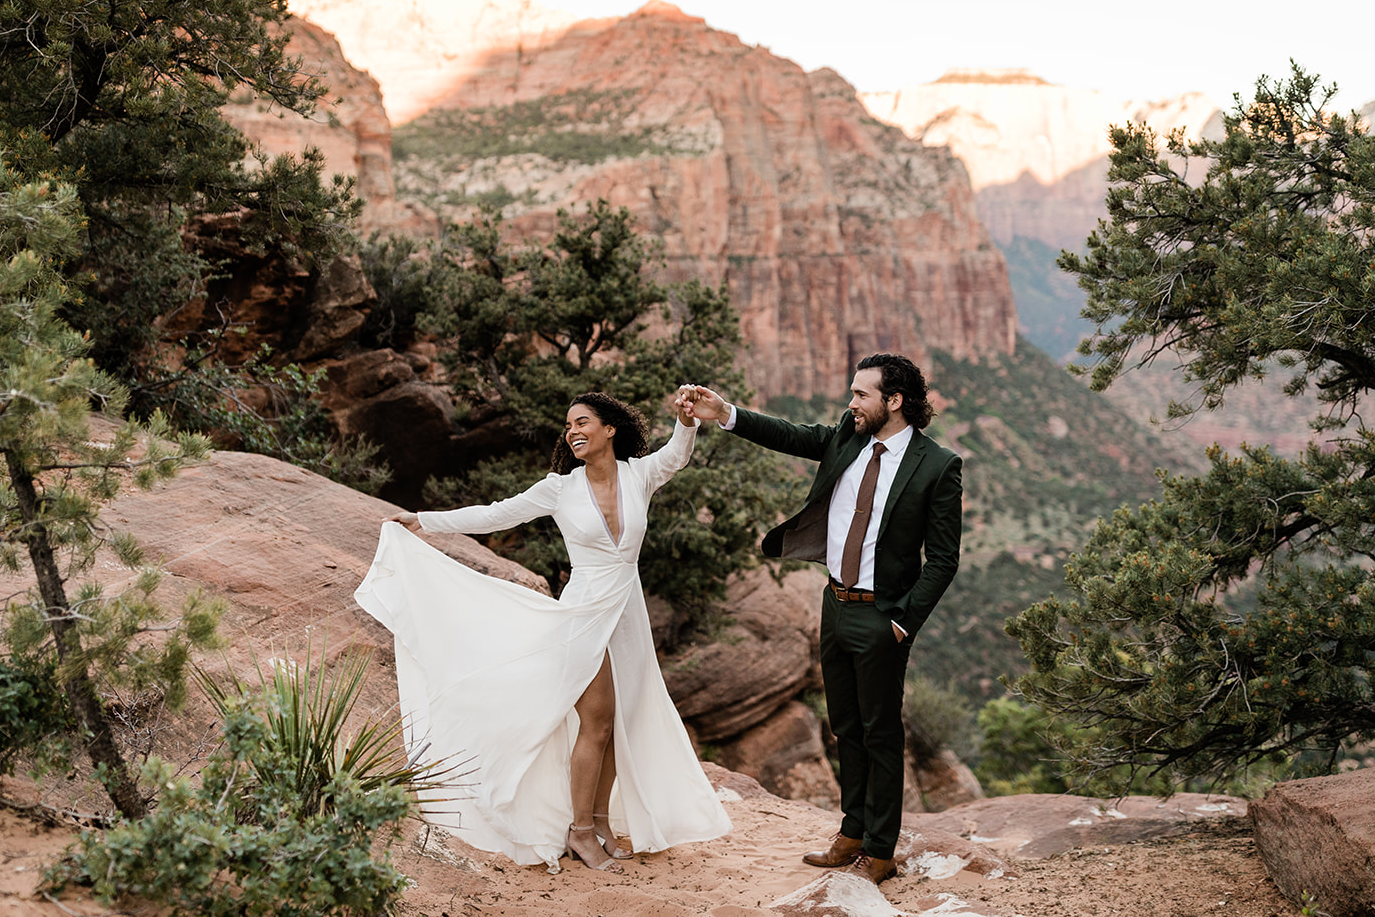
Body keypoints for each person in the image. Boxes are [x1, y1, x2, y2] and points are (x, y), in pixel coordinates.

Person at [354, 389, 730, 874]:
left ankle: (599, 824)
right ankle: (579, 832)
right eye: (568, 426)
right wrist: (422, 521)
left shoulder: (639, 475)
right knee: (596, 722)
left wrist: (687, 420)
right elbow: (494, 514)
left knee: (620, 723)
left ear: (609, 429)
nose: (572, 432)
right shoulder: (559, 489)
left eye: (582, 422)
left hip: (626, 614)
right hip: (582, 616)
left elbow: (676, 455)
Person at [684, 353, 960, 885]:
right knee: (846, 728)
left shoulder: (937, 465)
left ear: (894, 401)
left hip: (882, 616)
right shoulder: (848, 437)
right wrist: (726, 413)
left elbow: (944, 559)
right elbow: (791, 434)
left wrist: (902, 622)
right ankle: (852, 833)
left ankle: (880, 851)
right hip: (835, 606)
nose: (850, 402)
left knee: (881, 734)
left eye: (861, 394)